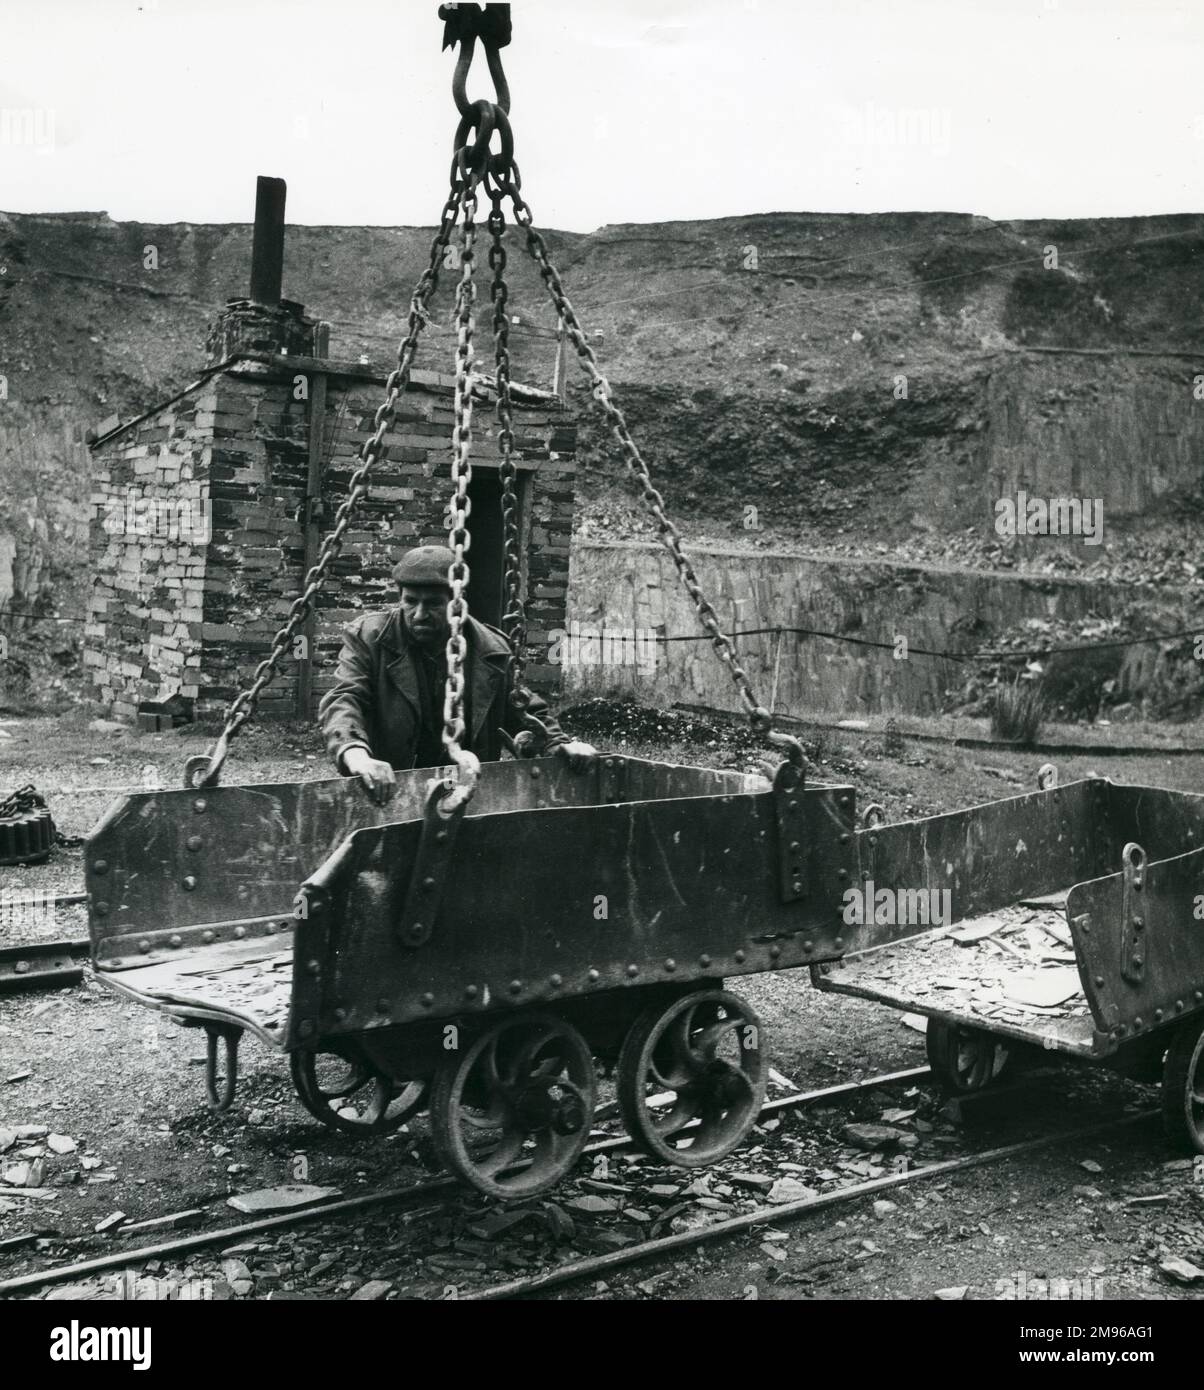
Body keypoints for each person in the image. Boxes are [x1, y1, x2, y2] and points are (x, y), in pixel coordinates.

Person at [319, 545, 597, 804]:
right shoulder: (369, 638)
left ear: (457, 602)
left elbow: (523, 709)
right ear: (399, 597)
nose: (419, 614)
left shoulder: (491, 650)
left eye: (433, 604)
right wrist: (356, 755)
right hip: (390, 785)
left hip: (460, 787)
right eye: (411, 601)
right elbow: (345, 698)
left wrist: (561, 745)